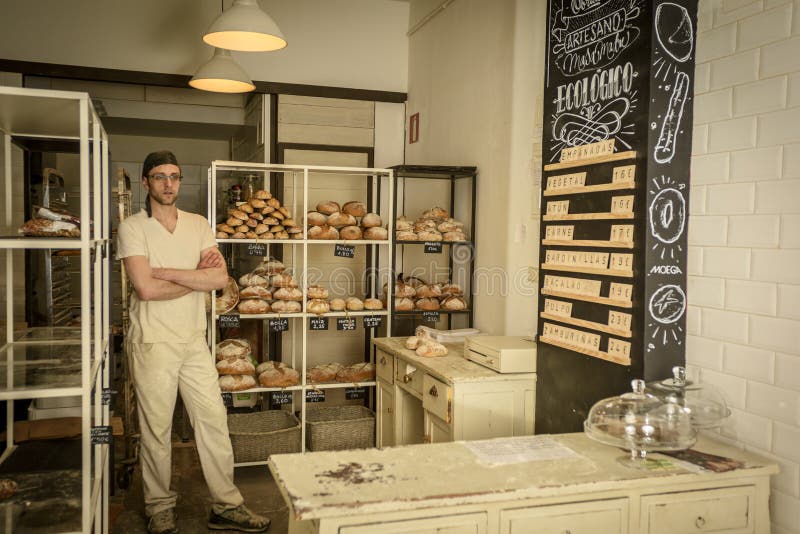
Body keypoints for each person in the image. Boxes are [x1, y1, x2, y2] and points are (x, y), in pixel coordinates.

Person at [117, 151, 270, 534]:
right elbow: (146, 290)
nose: (168, 184)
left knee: (214, 420)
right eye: (159, 177)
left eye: (175, 176)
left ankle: (226, 505)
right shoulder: (133, 228)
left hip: (194, 341)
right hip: (152, 342)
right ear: (146, 182)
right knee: (156, 429)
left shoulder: (198, 224)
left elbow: (220, 280)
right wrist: (192, 277)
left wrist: (164, 271)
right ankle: (159, 506)